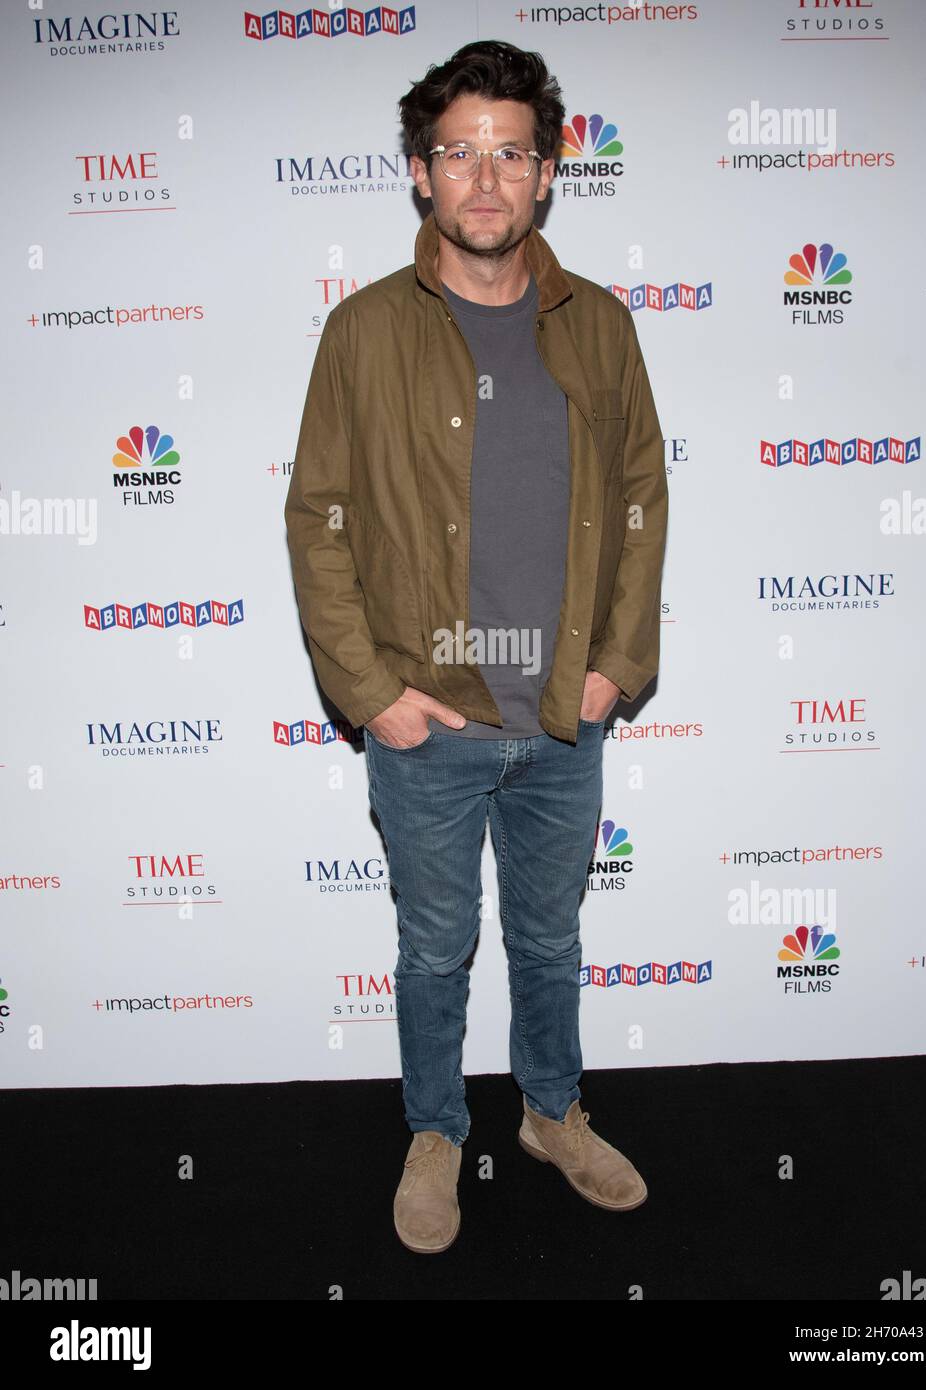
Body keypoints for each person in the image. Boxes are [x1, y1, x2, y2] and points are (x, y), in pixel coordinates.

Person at [284, 39, 668, 1254]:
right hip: (428, 720)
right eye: (461, 154)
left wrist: (616, 663)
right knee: (433, 948)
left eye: (510, 153)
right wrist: (370, 693)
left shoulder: (600, 327)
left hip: (562, 717)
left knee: (551, 939)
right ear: (420, 172)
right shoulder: (360, 334)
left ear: (546, 173)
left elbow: (643, 496)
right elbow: (318, 519)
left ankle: (551, 1114)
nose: (486, 179)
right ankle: (438, 1130)